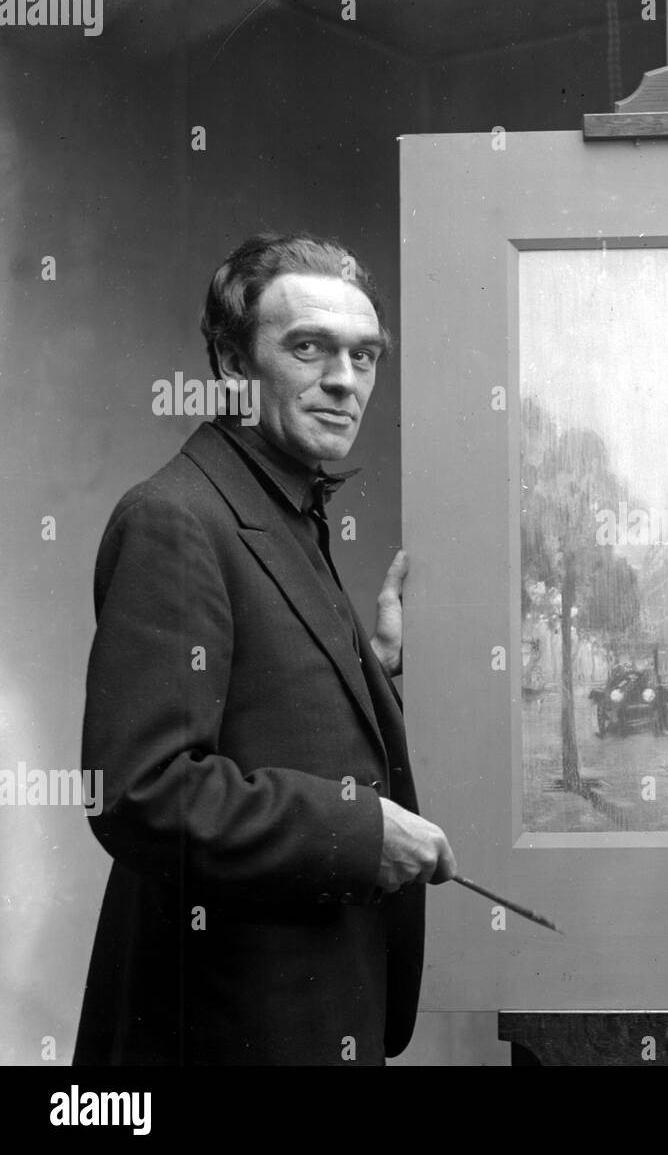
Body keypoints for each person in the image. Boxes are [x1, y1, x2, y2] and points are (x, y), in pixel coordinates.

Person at [73, 234, 456, 1066]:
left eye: (365, 355)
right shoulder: (176, 518)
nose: (344, 381)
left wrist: (373, 673)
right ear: (230, 361)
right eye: (308, 348)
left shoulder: (274, 505)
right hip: (222, 1031)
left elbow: (262, 708)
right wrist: (358, 834)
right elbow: (142, 793)